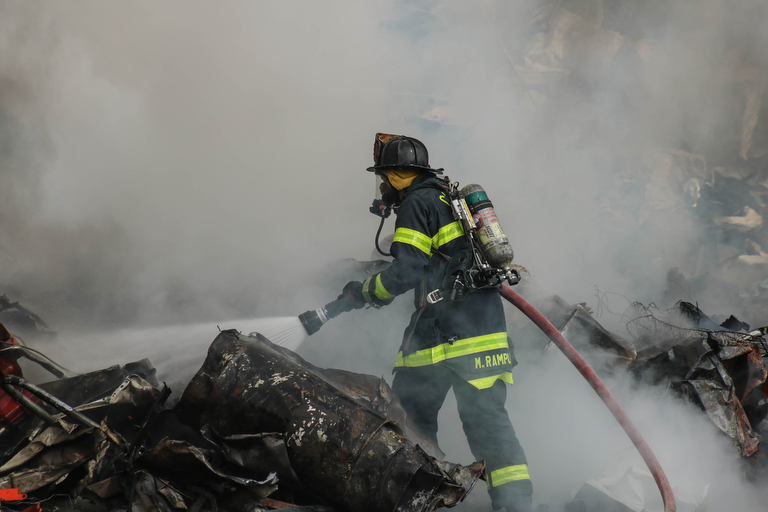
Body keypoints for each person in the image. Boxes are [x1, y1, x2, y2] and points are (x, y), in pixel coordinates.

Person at [341, 134, 534, 512]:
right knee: (491, 428)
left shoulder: (417, 203)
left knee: (409, 423)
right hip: (489, 335)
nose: (382, 187)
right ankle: (517, 507)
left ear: (398, 175)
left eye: (384, 176)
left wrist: (365, 293)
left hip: (443, 339)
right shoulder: (449, 197)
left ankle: (418, 504)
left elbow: (406, 272)